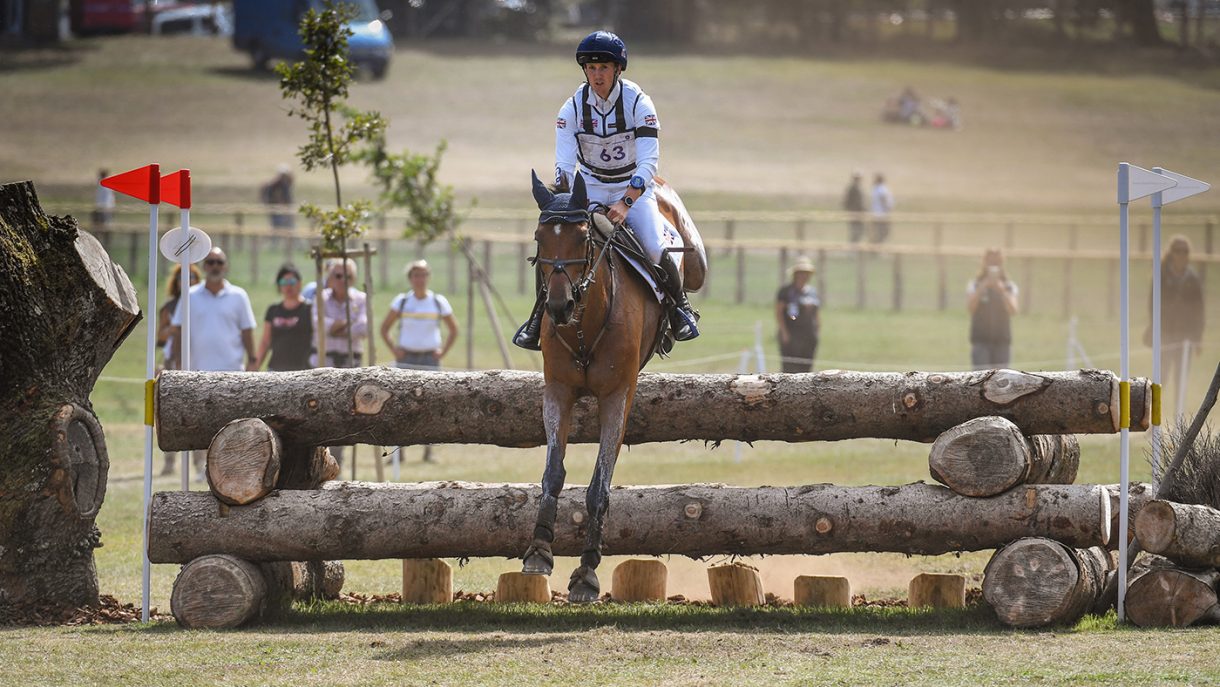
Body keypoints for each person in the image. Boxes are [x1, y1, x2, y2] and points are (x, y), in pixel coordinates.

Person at [512, 29, 700, 350]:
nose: (597, 75)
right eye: (591, 68)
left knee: (654, 245)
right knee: (556, 245)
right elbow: (564, 167)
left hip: (633, 187)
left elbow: (648, 164)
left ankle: (679, 309)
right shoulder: (570, 110)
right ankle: (537, 317)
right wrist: (565, 201)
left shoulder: (639, 103)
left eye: (603, 68)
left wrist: (626, 202)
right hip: (591, 188)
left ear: (618, 70)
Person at [170, 247, 258, 480]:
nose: (215, 266)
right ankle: (203, 468)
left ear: (225, 266)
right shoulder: (189, 295)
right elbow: (178, 331)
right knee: (200, 422)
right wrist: (178, 363)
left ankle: (231, 467)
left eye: (219, 262)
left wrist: (253, 359)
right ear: (205, 267)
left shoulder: (239, 295)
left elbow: (247, 330)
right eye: (211, 262)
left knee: (231, 422)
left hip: (232, 370)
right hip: (197, 370)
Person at [380, 259, 459, 463]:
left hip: (429, 358)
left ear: (428, 277)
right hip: (406, 357)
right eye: (416, 275)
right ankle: (399, 452)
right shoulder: (402, 302)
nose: (420, 279)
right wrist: (394, 349)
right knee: (401, 404)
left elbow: (453, 329)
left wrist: (442, 352)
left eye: (423, 275)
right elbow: (384, 328)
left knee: (430, 404)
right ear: (410, 278)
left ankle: (428, 451)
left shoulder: (438, 302)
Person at [1149, 235, 1205, 413]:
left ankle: (1178, 421)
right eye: (1178, 251)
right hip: (1165, 334)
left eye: (1185, 251)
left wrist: (1197, 337)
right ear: (1171, 253)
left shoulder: (1192, 279)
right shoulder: (1161, 276)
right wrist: (1155, 330)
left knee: (1181, 380)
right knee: (1160, 378)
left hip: (1186, 337)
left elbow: (1199, 310)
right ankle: (1152, 421)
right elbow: (1152, 304)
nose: (1181, 255)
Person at [156, 262, 200, 477]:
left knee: (199, 416)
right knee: (170, 413)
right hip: (173, 362)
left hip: (197, 363)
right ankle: (169, 462)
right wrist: (174, 328)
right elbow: (161, 337)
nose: (188, 280)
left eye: (192, 276)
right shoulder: (169, 307)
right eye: (183, 277)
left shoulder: (200, 303)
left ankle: (199, 464)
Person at [967, 248, 1019, 371]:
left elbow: (1013, 309)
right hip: (980, 341)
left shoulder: (1009, 286)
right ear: (984, 263)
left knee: (1001, 380)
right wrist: (982, 288)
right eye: (990, 262)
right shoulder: (974, 285)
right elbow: (970, 308)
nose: (993, 265)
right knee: (980, 379)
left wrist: (1001, 290)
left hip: (1002, 341)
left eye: (996, 262)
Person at [254, 264, 313, 372]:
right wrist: (255, 367)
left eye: (291, 282)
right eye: (283, 283)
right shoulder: (273, 310)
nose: (288, 286)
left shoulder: (310, 309)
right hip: (275, 371)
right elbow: (265, 342)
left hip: (303, 372)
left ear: (299, 283)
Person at [312, 257, 368, 368]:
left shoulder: (361, 299)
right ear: (331, 277)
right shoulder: (320, 298)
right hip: (323, 363)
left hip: (352, 363)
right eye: (338, 276)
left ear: (354, 279)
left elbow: (363, 328)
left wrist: (333, 330)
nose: (343, 280)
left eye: (348, 276)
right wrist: (349, 322)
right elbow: (319, 324)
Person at [775, 256, 821, 373]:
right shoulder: (786, 291)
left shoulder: (812, 292)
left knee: (806, 369)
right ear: (795, 274)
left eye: (806, 273)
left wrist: (817, 331)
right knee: (790, 368)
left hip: (808, 335)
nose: (803, 276)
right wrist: (784, 332)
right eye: (801, 273)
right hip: (792, 334)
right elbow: (779, 312)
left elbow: (816, 313)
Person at [261, 163, 295, 231]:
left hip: (285, 211)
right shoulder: (273, 186)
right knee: (278, 229)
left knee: (289, 229)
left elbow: (288, 199)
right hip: (277, 211)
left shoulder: (286, 185)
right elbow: (269, 198)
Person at [870, 173, 894, 244]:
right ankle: (879, 247)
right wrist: (888, 210)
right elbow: (884, 201)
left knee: (878, 232)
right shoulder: (882, 189)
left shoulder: (875, 188)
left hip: (876, 214)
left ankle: (876, 246)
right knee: (883, 232)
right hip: (882, 215)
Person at [842, 172, 865, 244]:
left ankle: (855, 246)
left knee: (858, 230)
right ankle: (853, 247)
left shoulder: (856, 187)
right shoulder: (853, 188)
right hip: (855, 213)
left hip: (859, 212)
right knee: (855, 230)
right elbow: (847, 201)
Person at [93, 168, 115, 234]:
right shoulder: (105, 183)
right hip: (105, 207)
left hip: (102, 207)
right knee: (104, 225)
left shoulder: (102, 183)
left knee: (102, 226)